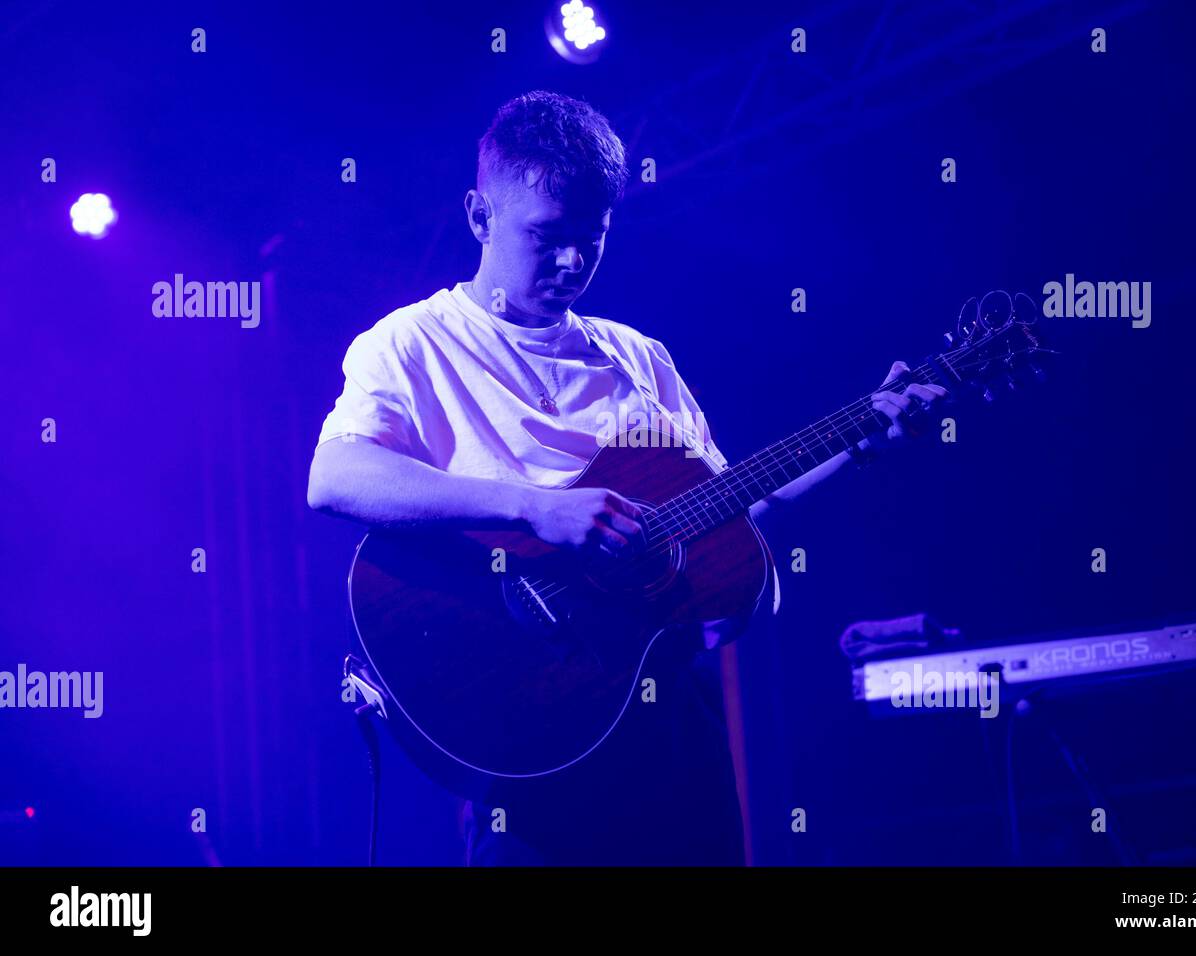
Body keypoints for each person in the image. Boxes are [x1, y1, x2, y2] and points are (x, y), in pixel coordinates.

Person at [307, 90, 946, 865]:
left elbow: (733, 507)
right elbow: (336, 475)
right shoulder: (410, 344)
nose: (572, 262)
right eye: (545, 236)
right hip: (530, 739)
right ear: (479, 217)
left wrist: (863, 437)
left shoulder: (637, 359)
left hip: (669, 732)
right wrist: (538, 510)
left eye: (592, 238)